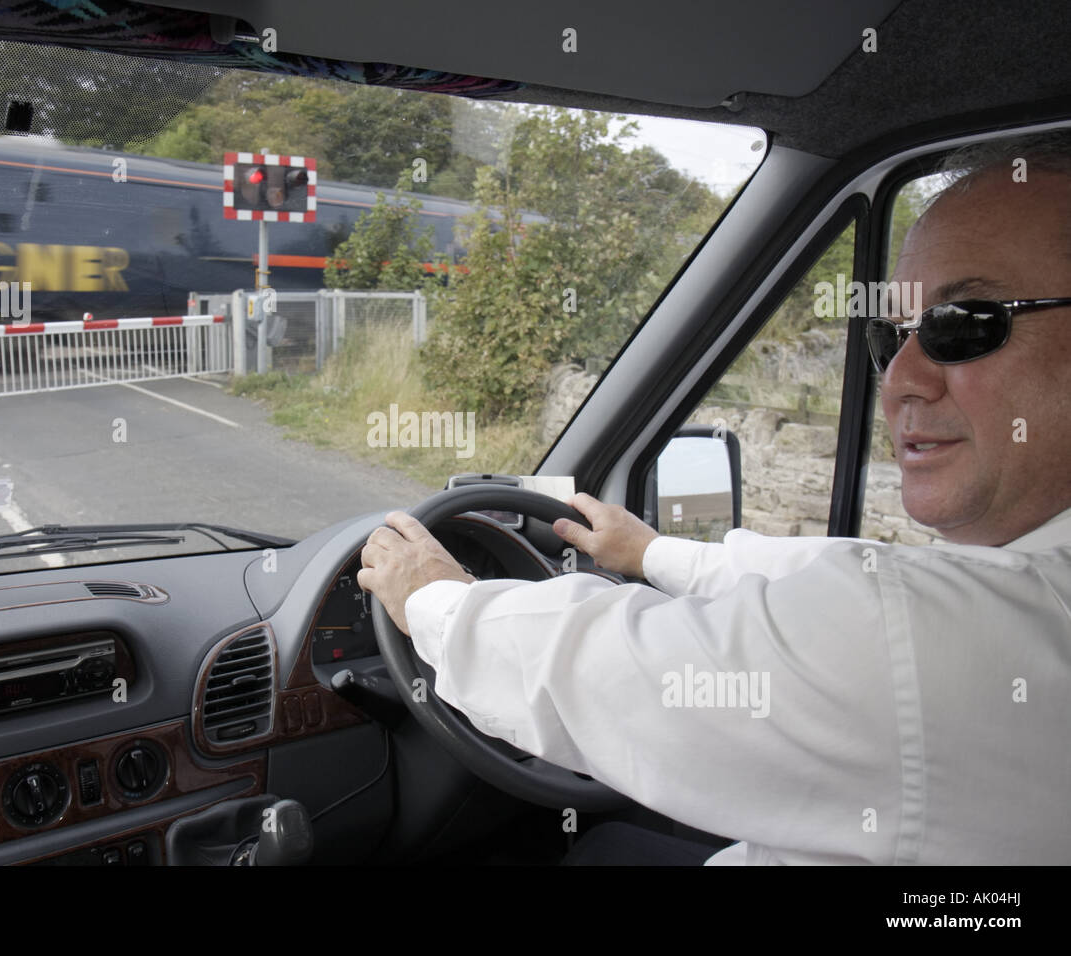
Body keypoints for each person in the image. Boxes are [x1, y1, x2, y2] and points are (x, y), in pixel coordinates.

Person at [357, 132, 1071, 865]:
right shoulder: (1012, 595)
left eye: (964, 324)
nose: (898, 381)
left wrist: (437, 602)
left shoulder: (935, 637)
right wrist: (653, 553)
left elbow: (613, 677)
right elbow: (848, 580)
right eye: (893, 337)